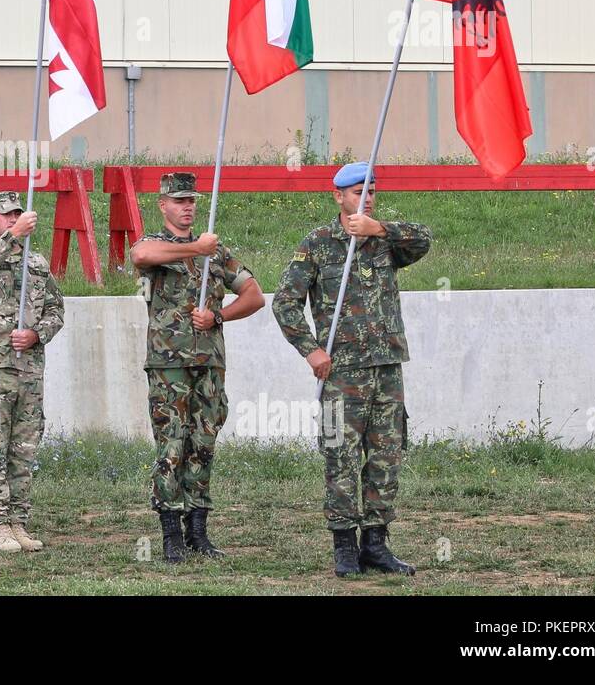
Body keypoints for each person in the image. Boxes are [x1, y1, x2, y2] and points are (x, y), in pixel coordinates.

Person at [272, 161, 432, 577]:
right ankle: (344, 545)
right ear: (338, 195)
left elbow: (423, 241)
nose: (366, 199)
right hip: (341, 371)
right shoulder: (319, 244)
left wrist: (379, 229)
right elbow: (285, 302)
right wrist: (311, 351)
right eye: (357, 192)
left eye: (372, 191)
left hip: (386, 366)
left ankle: (375, 544)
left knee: (386, 455)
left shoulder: (386, 241)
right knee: (339, 456)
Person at [130, 172, 264, 563]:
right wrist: (196, 250)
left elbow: (254, 295)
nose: (187, 207)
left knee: (202, 445)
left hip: (208, 363)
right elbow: (141, 257)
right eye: (179, 201)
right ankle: (171, 534)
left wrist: (218, 317)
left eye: (191, 201)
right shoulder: (157, 246)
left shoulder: (216, 254)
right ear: (164, 205)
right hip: (168, 364)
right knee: (171, 444)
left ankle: (198, 531)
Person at [0, 191, 64, 553]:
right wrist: (12, 236)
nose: (13, 218)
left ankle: (19, 521)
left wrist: (37, 334)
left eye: (17, 214)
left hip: (29, 370)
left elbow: (56, 310)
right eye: (5, 215)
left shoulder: (36, 264)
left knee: (24, 449)